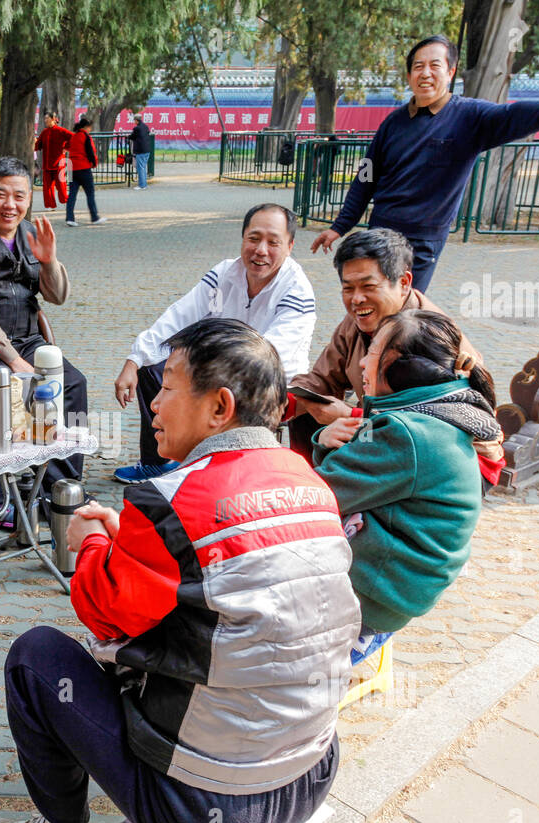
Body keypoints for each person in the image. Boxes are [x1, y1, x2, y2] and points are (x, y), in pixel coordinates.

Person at [0, 318, 361, 823]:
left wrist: (90, 543)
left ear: (219, 407)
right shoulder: (308, 481)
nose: (153, 404)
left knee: (36, 659)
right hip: (311, 778)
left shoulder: (169, 500)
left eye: (169, 386)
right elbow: (209, 567)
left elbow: (104, 615)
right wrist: (129, 537)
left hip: (206, 817)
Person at [311, 309, 501, 671]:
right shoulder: (443, 409)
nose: (363, 362)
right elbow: (353, 465)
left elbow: (319, 495)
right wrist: (325, 439)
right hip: (399, 589)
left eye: (373, 351)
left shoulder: (408, 432)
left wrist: (319, 441)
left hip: (371, 600)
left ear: (401, 367)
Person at [311, 35, 539, 292]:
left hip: (423, 241)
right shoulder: (392, 124)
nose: (425, 73)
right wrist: (340, 226)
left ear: (451, 71)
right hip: (380, 233)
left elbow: (512, 115)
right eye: (418, 66)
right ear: (409, 75)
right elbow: (365, 178)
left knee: (404, 315)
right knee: (369, 302)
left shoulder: (470, 116)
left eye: (434, 65)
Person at [111, 202, 316, 483]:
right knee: (152, 368)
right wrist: (134, 360)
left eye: (273, 242)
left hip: (269, 385)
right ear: (243, 238)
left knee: (207, 394)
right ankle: (158, 461)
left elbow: (267, 357)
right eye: (254, 238)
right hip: (216, 370)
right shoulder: (224, 275)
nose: (261, 250)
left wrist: (204, 377)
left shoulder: (296, 289)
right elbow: (182, 314)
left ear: (290, 246)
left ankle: (217, 475)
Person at [0, 156, 90, 524]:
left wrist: (49, 261)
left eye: (19, 196)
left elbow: (56, 296)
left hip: (29, 338)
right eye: (1, 194)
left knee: (72, 384)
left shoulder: (30, 233)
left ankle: (59, 487)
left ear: (29, 198)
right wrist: (11, 359)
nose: (10, 205)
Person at [287, 227, 460, 463]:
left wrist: (353, 416)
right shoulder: (357, 321)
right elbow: (323, 378)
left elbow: (427, 430)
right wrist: (275, 404)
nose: (356, 299)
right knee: (307, 410)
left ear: (404, 283)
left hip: (434, 457)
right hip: (382, 429)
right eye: (348, 288)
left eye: (368, 287)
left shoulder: (431, 336)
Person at [64, 116, 106, 226]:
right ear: (86, 127)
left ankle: (70, 218)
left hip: (72, 168)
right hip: (83, 168)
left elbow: (66, 147)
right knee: (90, 194)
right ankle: (94, 217)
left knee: (72, 194)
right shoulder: (86, 137)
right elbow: (91, 152)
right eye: (90, 128)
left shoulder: (73, 137)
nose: (90, 130)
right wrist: (94, 163)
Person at [33, 110, 72, 210]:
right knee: (47, 187)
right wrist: (34, 142)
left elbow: (73, 137)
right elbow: (38, 145)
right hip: (47, 164)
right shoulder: (44, 132)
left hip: (59, 163)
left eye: (47, 118)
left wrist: (66, 147)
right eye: (45, 118)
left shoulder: (60, 131)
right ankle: (50, 205)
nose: (45, 120)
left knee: (61, 185)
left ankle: (66, 201)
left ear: (54, 119)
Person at [128, 115, 152, 190]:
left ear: (136, 120)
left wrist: (128, 136)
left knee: (140, 168)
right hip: (147, 150)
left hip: (140, 151)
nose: (134, 122)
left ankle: (141, 185)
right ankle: (144, 184)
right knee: (143, 167)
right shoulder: (145, 126)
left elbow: (132, 136)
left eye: (134, 120)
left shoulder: (137, 128)